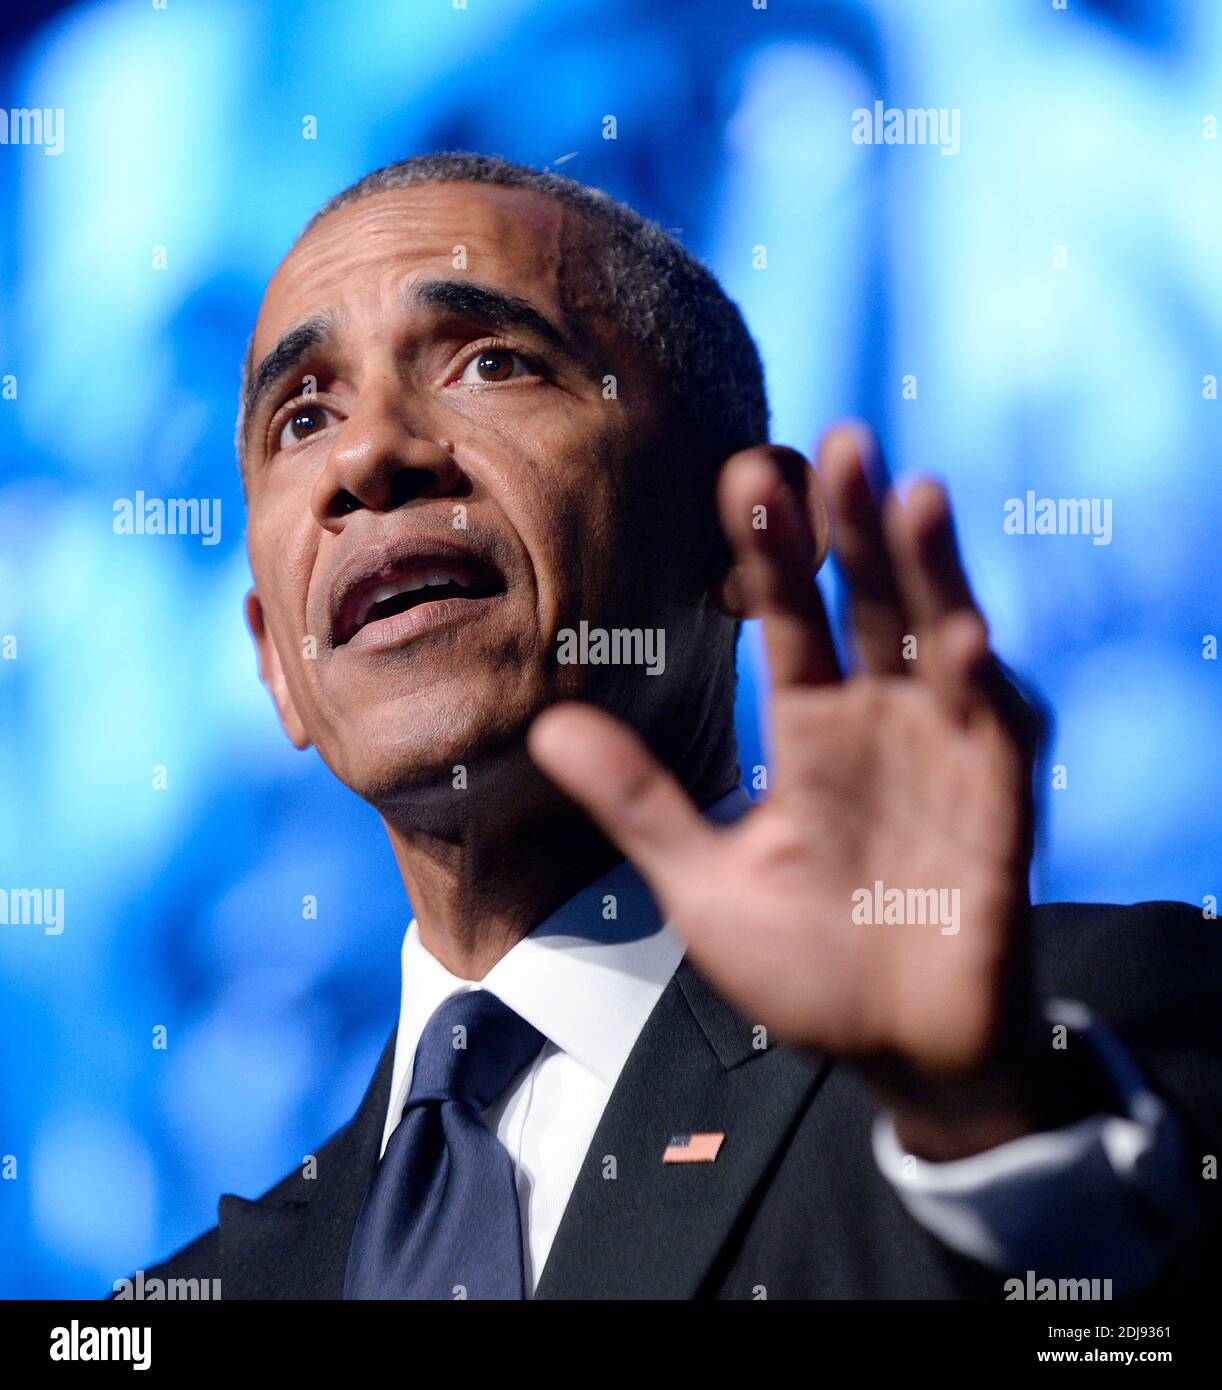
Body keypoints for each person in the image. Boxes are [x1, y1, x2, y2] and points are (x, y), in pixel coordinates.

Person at [124, 153, 1219, 1300]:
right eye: (302, 417)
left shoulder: (1069, 1038)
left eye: (491, 362)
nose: (365, 456)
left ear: (751, 533)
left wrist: (992, 1132)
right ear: (275, 666)